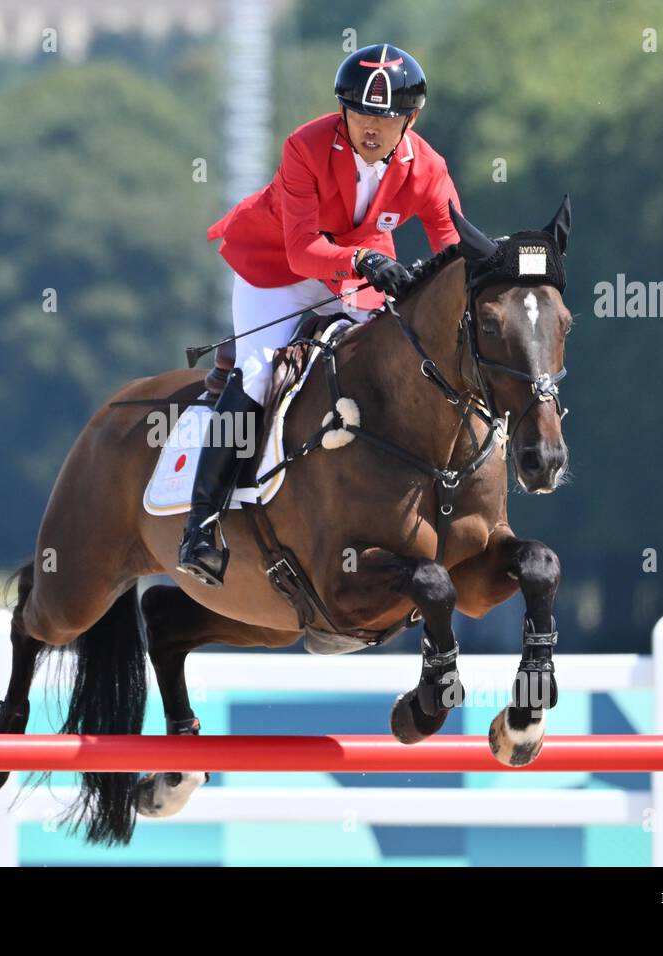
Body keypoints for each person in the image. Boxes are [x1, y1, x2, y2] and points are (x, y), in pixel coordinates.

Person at [177, 43, 465, 586]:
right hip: (278, 271)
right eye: (360, 114)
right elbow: (303, 251)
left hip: (360, 273)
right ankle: (202, 524)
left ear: (410, 118)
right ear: (343, 112)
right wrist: (362, 257)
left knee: (396, 360)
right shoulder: (306, 146)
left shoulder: (428, 168)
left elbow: (454, 250)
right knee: (260, 371)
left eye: (385, 117)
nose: (371, 128)